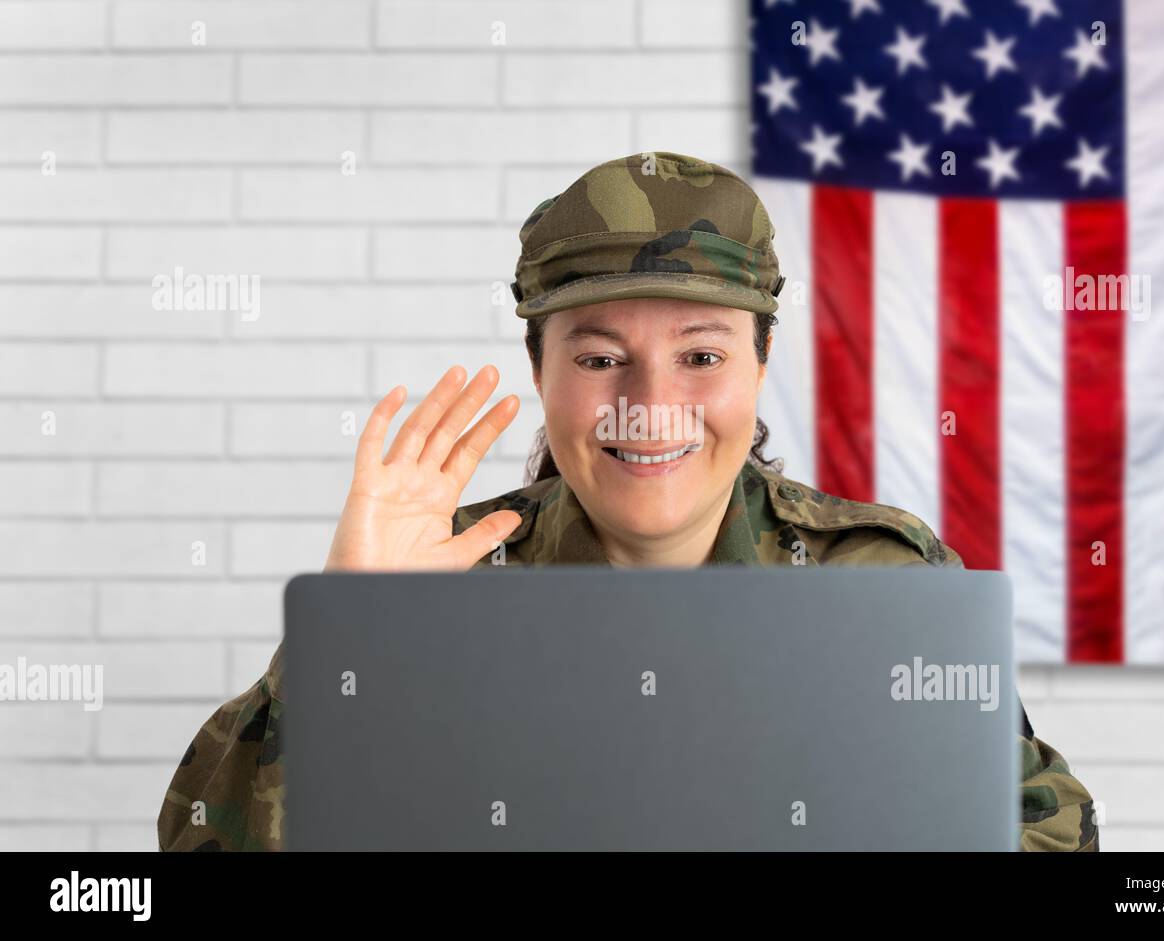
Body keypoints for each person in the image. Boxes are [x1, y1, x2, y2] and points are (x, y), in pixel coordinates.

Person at [158, 152, 1098, 852]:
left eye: (701, 355)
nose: (650, 404)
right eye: (601, 359)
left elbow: (1049, 828)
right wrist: (343, 640)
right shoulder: (435, 587)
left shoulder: (887, 580)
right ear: (541, 372)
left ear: (762, 366)